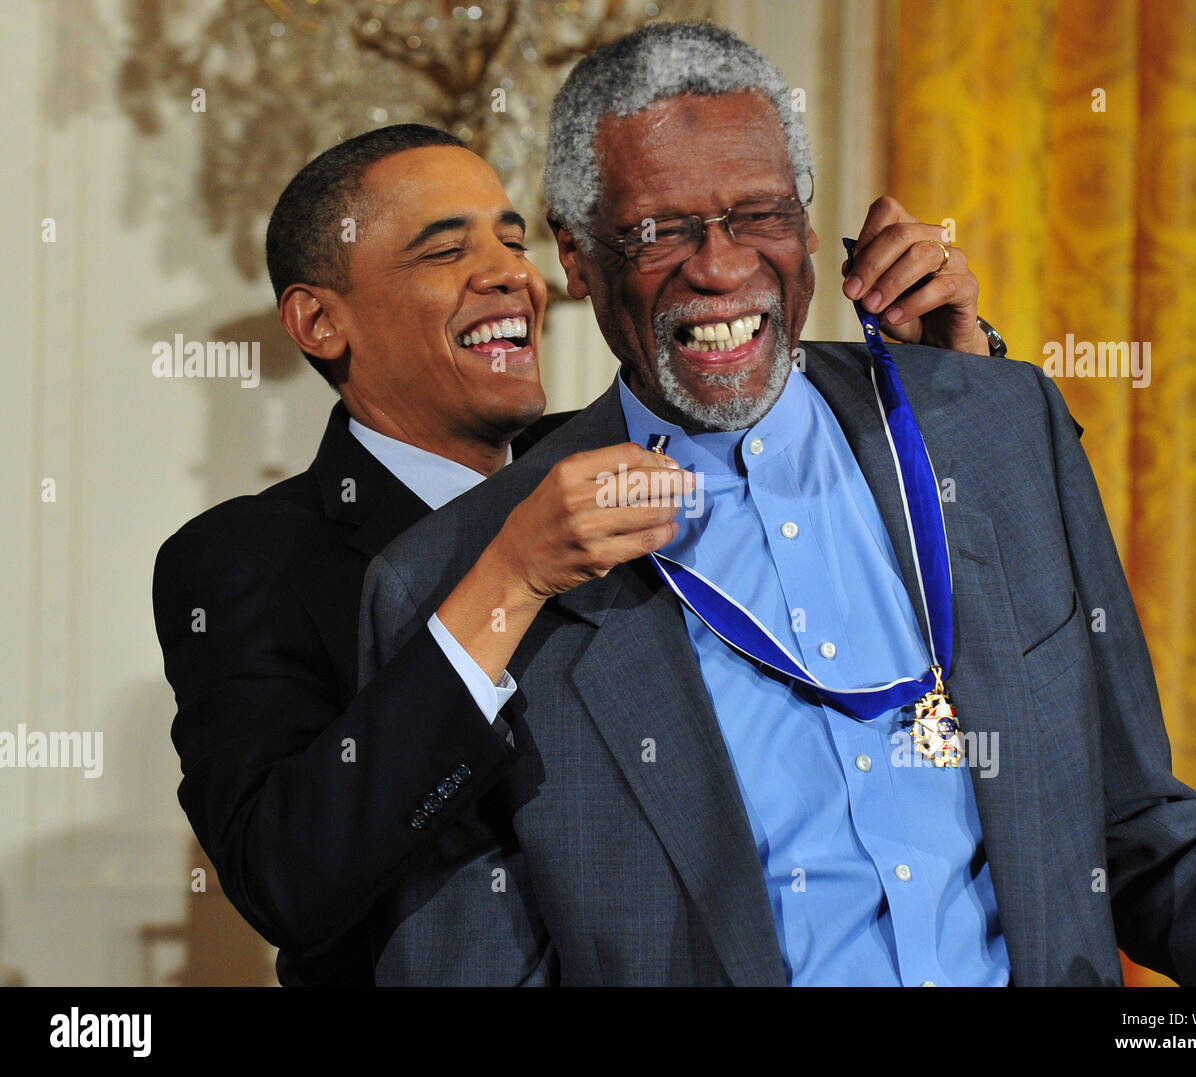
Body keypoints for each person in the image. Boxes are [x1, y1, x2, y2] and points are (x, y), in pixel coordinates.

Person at [359, 22, 1196, 986]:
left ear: (809, 227)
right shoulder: (465, 577)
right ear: (578, 256)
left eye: (758, 214)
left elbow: (1140, 831)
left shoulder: (999, 428)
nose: (721, 268)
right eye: (660, 231)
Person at [153, 120, 989, 984]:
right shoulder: (243, 559)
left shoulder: (642, 452)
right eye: (445, 253)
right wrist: (508, 577)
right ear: (320, 321)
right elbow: (289, 877)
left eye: (514, 240)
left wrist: (953, 379)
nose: (512, 273)